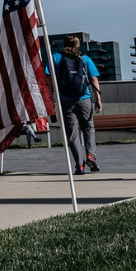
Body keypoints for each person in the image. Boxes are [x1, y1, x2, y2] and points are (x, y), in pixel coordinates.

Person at [48, 35, 102, 175]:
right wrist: (98, 99)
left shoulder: (55, 58)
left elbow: (50, 81)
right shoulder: (85, 59)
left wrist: (50, 100)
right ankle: (91, 156)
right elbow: (94, 79)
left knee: (72, 134)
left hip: (66, 101)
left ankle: (79, 165)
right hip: (84, 98)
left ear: (64, 44)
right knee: (88, 128)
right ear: (78, 46)